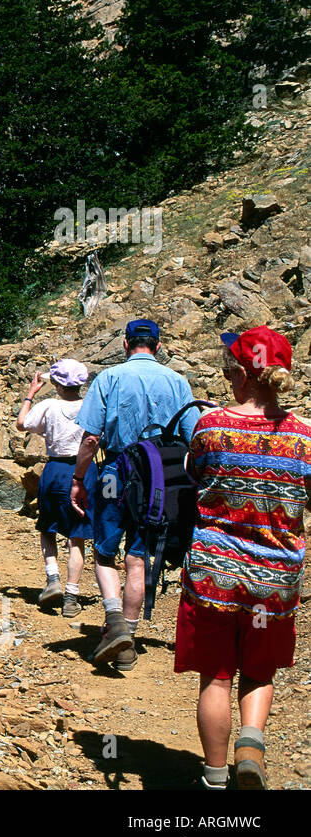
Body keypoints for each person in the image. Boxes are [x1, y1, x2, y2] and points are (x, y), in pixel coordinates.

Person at [175, 327, 311, 790]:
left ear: (239, 372)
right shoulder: (303, 436)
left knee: (215, 676)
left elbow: (195, 477)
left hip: (214, 572)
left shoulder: (210, 425)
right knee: (258, 671)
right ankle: (250, 747)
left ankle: (214, 778)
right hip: (275, 580)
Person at [70, 319, 200, 669]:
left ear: (126, 344)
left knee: (103, 551)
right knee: (139, 558)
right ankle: (127, 638)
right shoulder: (177, 381)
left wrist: (79, 478)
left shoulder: (109, 378)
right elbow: (194, 437)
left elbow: (91, 438)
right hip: (158, 478)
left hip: (115, 472)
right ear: (158, 346)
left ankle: (114, 623)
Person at [17, 359, 92, 614]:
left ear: (57, 384)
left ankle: (53, 579)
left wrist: (31, 394)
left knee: (47, 526)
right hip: (83, 471)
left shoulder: (48, 405)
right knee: (77, 536)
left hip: (55, 469)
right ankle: (71, 597)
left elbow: (22, 423)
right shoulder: (90, 406)